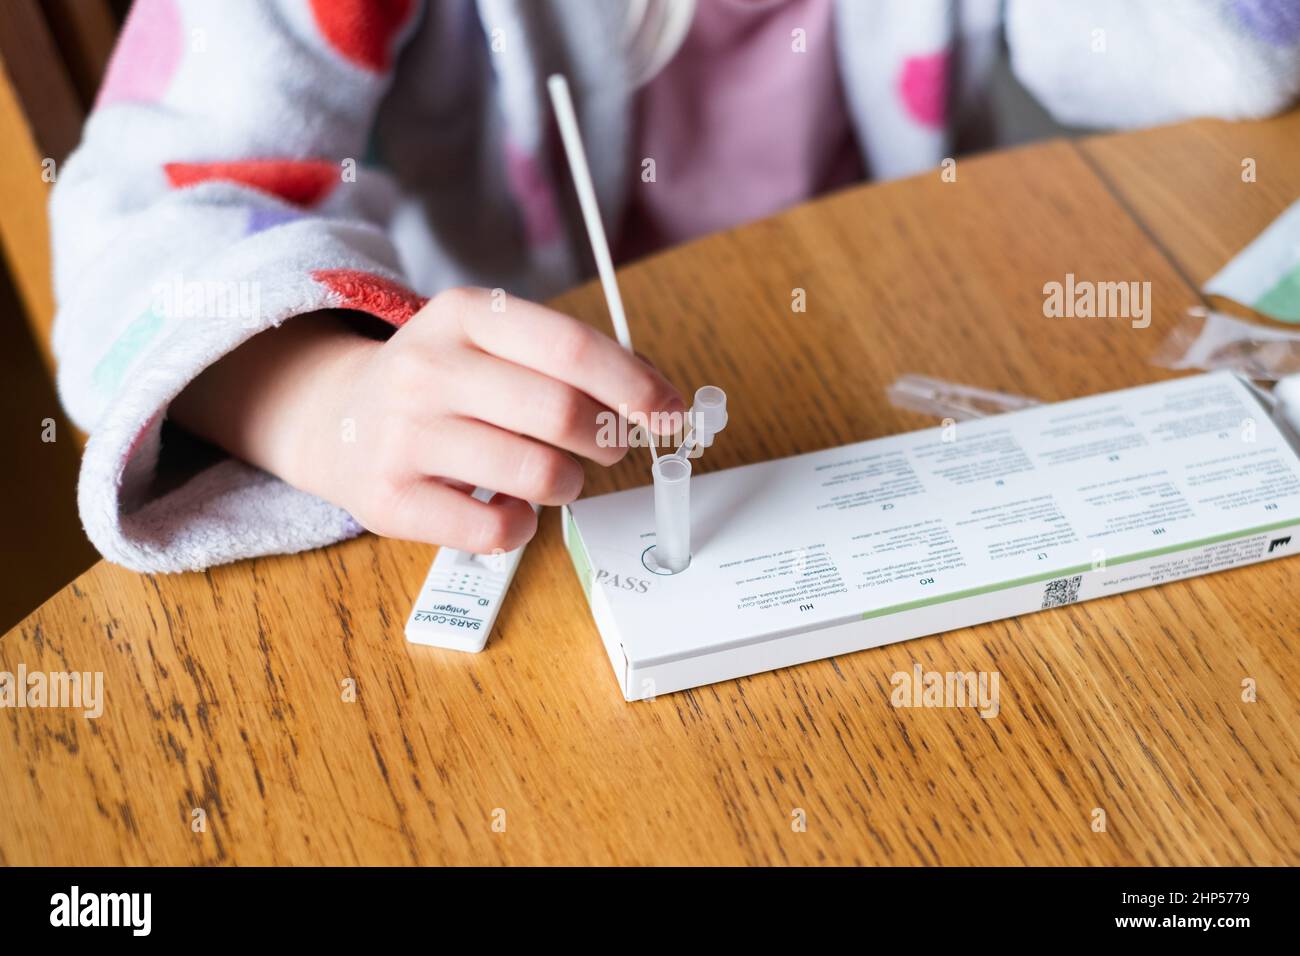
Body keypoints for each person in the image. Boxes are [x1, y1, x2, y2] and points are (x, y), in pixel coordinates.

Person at [49, 0, 1300, 571]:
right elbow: (133, 236)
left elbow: (1191, 51)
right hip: (503, 466)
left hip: (860, 365)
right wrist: (326, 398)